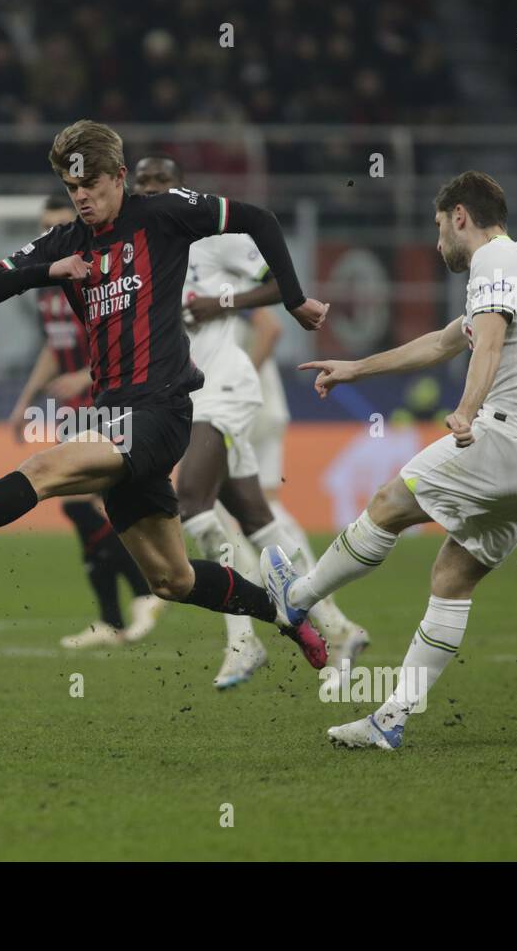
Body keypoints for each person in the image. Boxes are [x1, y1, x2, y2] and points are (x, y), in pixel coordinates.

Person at [0, 119, 331, 667]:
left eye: (91, 185)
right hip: (112, 416)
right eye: (72, 189)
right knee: (171, 577)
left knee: (45, 470)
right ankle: (285, 613)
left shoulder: (162, 215)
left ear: (118, 177)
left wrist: (296, 298)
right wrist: (49, 269)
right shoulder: (65, 240)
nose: (82, 197)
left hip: (160, 410)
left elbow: (259, 218)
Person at [262, 171, 517, 750]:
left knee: (388, 504)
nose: (438, 245)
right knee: (453, 577)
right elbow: (442, 342)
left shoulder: (494, 262)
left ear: (461, 216)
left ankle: (298, 598)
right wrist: (356, 367)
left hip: (507, 437)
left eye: (439, 228)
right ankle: (391, 720)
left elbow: (487, 341)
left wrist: (465, 409)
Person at [133, 154, 367, 688]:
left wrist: (223, 301)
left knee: (189, 500)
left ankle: (242, 640)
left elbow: (275, 286)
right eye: (142, 181)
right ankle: (337, 625)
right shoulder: (135, 248)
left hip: (226, 382)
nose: (150, 189)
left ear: (179, 186)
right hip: (185, 393)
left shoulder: (210, 236)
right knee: (256, 516)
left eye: (160, 180)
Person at [6, 194, 163, 648]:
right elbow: (54, 348)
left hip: (108, 402)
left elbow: (125, 336)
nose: (50, 235)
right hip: (75, 411)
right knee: (84, 509)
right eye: (44, 227)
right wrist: (25, 400)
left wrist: (82, 375)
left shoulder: (100, 275)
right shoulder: (49, 288)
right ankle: (116, 617)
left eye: (58, 225)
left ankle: (143, 591)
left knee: (86, 504)